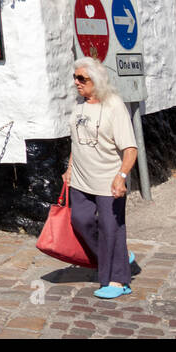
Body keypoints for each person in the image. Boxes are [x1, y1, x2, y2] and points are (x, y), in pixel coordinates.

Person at [65, 58, 138, 300]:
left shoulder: (114, 106)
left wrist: (121, 176)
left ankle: (118, 280)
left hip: (108, 180)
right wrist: (69, 168)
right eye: (75, 78)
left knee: (111, 227)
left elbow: (130, 148)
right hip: (81, 179)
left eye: (81, 78)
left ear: (96, 80)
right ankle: (119, 255)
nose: (76, 83)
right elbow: (77, 142)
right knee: (80, 221)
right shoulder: (79, 105)